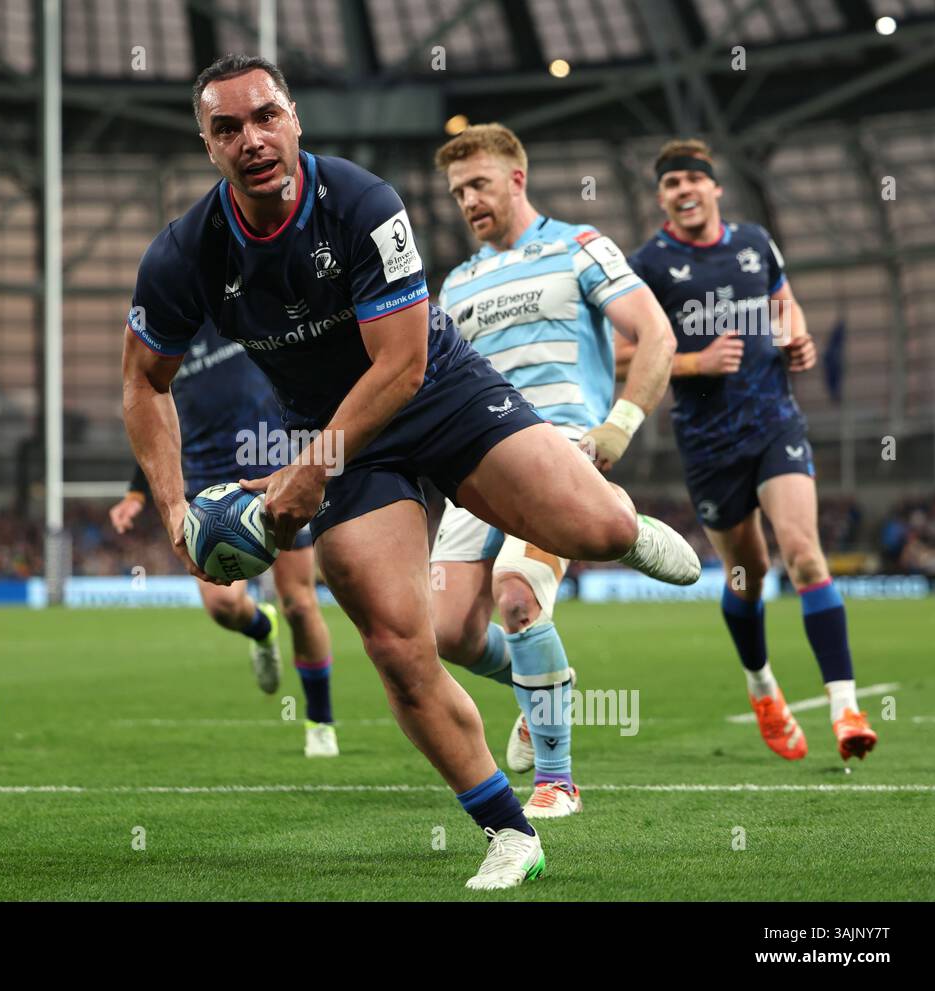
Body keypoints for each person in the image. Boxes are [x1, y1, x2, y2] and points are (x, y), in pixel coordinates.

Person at [122, 55, 699, 890]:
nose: (251, 139)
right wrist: (174, 509)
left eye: (265, 117)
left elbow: (397, 365)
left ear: (293, 119)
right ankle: (508, 829)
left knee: (597, 529)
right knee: (399, 640)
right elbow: (143, 379)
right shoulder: (184, 255)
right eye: (227, 128)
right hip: (344, 440)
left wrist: (308, 470)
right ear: (207, 145)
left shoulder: (361, 203)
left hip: (438, 393)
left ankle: (623, 526)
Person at [429, 124, 677, 818]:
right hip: (474, 467)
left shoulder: (579, 245)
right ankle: (543, 685)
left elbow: (654, 332)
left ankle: (557, 779)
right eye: (457, 192)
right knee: (447, 631)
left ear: (516, 179)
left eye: (479, 184)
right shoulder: (457, 283)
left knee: (517, 595)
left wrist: (619, 426)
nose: (468, 200)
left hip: (557, 452)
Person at [627, 138, 876, 762]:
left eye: (692, 179)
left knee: (806, 557)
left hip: (774, 423)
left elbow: (784, 307)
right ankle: (762, 685)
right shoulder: (649, 265)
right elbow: (623, 354)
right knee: (747, 576)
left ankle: (846, 709)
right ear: (661, 200)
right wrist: (694, 361)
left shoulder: (754, 243)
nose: (683, 190)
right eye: (670, 184)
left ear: (714, 188)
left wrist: (799, 340)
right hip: (709, 443)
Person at [108, 321, 338, 757]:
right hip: (206, 485)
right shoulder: (164, 330)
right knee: (223, 606)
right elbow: (154, 418)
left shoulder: (244, 308)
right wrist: (138, 492)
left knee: (300, 603)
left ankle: (320, 720)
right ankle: (261, 629)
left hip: (270, 463)